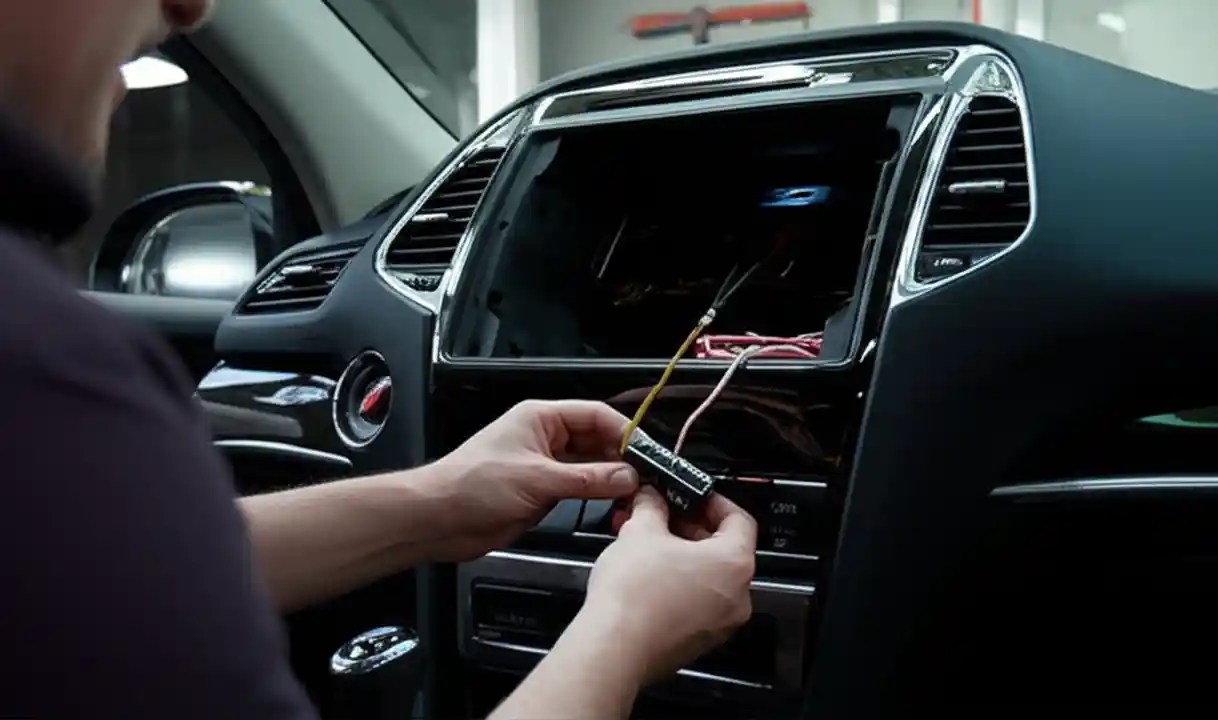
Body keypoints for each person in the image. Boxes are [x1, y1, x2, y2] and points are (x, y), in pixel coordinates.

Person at [0, 1, 758, 718]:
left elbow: (95, 575)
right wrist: (623, 637)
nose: (192, 8)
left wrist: (438, 502)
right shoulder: (46, 371)